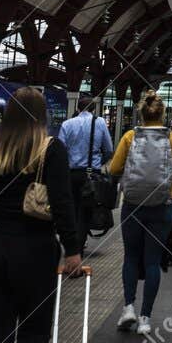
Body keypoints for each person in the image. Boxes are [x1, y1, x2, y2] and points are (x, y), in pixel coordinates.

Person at [0, 86, 81, 343]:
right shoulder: (51, 149)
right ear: (42, 116)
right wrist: (73, 250)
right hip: (35, 250)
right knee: (34, 330)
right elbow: (62, 202)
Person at [106, 91, 172, 336]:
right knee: (152, 261)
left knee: (131, 257)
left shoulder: (130, 136)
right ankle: (145, 319)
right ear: (162, 113)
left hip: (133, 205)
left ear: (141, 113)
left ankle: (128, 308)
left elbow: (114, 168)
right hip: (163, 205)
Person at [59, 96, 113, 242]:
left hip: (71, 174)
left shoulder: (67, 124)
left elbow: (60, 151)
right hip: (91, 175)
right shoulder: (100, 122)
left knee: (72, 210)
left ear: (77, 108)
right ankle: (78, 247)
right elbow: (109, 150)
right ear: (93, 109)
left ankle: (70, 242)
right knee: (85, 212)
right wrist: (97, 162)